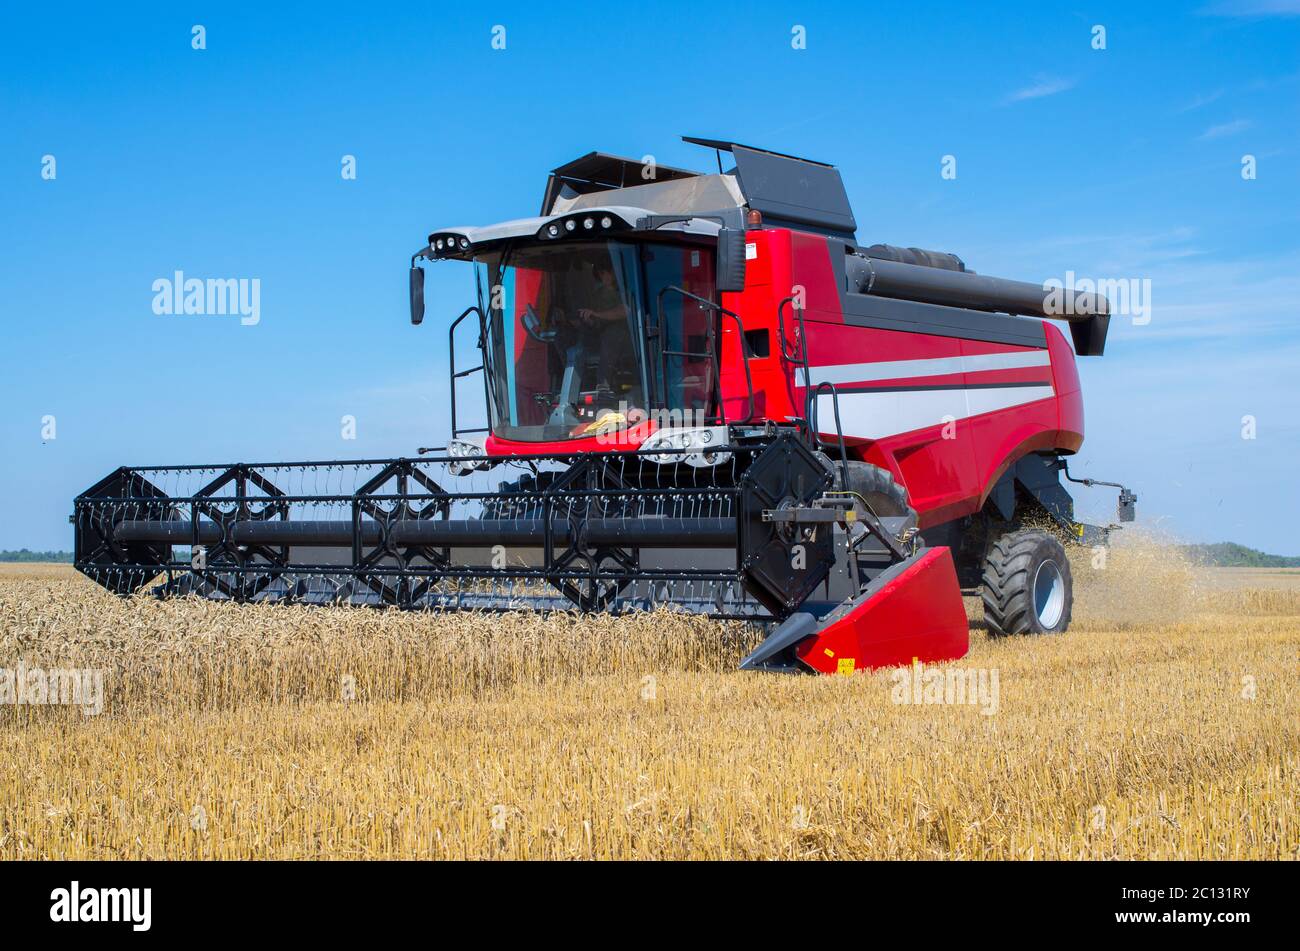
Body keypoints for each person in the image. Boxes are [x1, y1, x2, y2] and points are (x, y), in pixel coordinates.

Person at [577, 262, 630, 391]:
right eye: (600, 274)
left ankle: (603, 384)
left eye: (605, 272)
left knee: (613, 333)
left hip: (626, 340)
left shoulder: (625, 290)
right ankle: (577, 384)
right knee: (563, 334)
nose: (603, 276)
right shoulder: (597, 295)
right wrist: (588, 319)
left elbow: (625, 311)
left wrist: (596, 314)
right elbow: (595, 322)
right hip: (599, 337)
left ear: (614, 272)